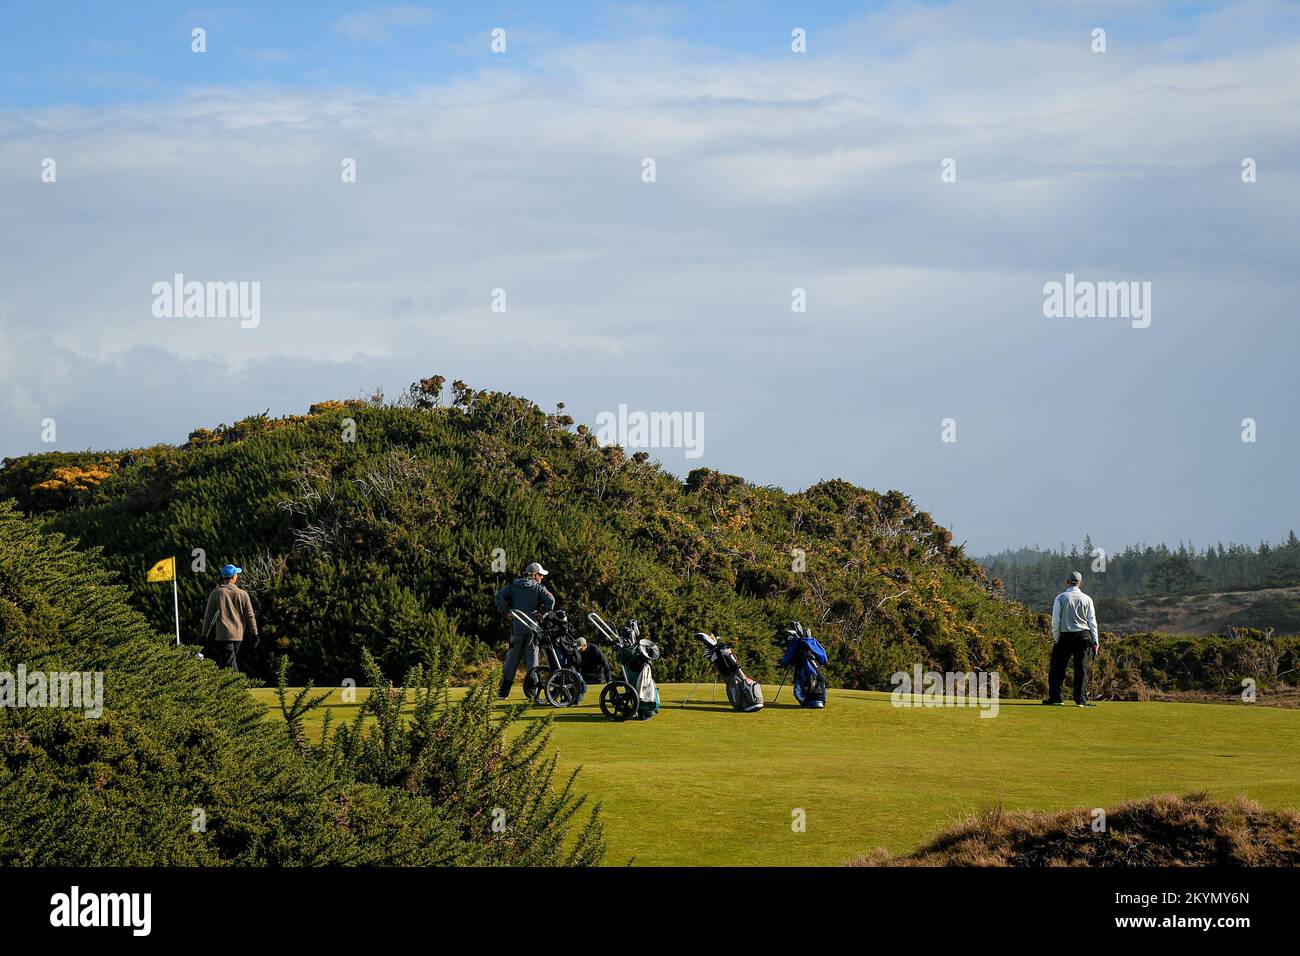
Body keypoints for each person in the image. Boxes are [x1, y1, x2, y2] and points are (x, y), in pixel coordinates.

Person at [493, 562, 555, 699]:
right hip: (533, 628)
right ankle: (532, 693)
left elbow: (498, 597)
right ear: (534, 575)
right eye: (540, 575)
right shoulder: (538, 587)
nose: (542, 577)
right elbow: (551, 600)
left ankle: (503, 693)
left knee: (512, 661)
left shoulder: (513, 585)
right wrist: (543, 614)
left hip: (517, 628)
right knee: (533, 661)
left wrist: (506, 612)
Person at [1044, 570, 1099, 706]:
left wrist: (1057, 638)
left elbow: (1055, 621)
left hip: (1065, 636)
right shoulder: (1087, 599)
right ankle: (1080, 700)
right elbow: (1092, 622)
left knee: (1058, 668)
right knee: (1081, 669)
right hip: (1083, 636)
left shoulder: (1061, 597)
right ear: (1080, 583)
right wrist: (1096, 641)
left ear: (1067, 582)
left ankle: (1056, 698)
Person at [201, 563, 259, 672]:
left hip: (222, 635)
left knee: (228, 661)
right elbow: (250, 616)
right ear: (233, 577)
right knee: (228, 661)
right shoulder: (243, 594)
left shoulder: (216, 593)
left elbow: (208, 617)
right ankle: (236, 685)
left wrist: (204, 635)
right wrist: (254, 634)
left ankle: (235, 684)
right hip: (238, 635)